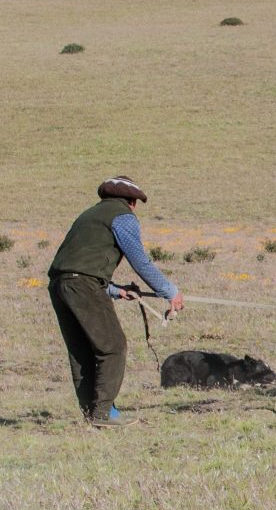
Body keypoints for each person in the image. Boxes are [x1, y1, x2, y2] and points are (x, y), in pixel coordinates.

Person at [48, 176, 185, 428]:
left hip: (60, 285)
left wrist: (114, 290)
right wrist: (169, 291)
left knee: (82, 352)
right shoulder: (122, 216)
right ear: (132, 201)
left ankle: (93, 413)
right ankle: (103, 414)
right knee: (113, 346)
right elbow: (140, 261)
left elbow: (75, 266)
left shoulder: (89, 215)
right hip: (83, 285)